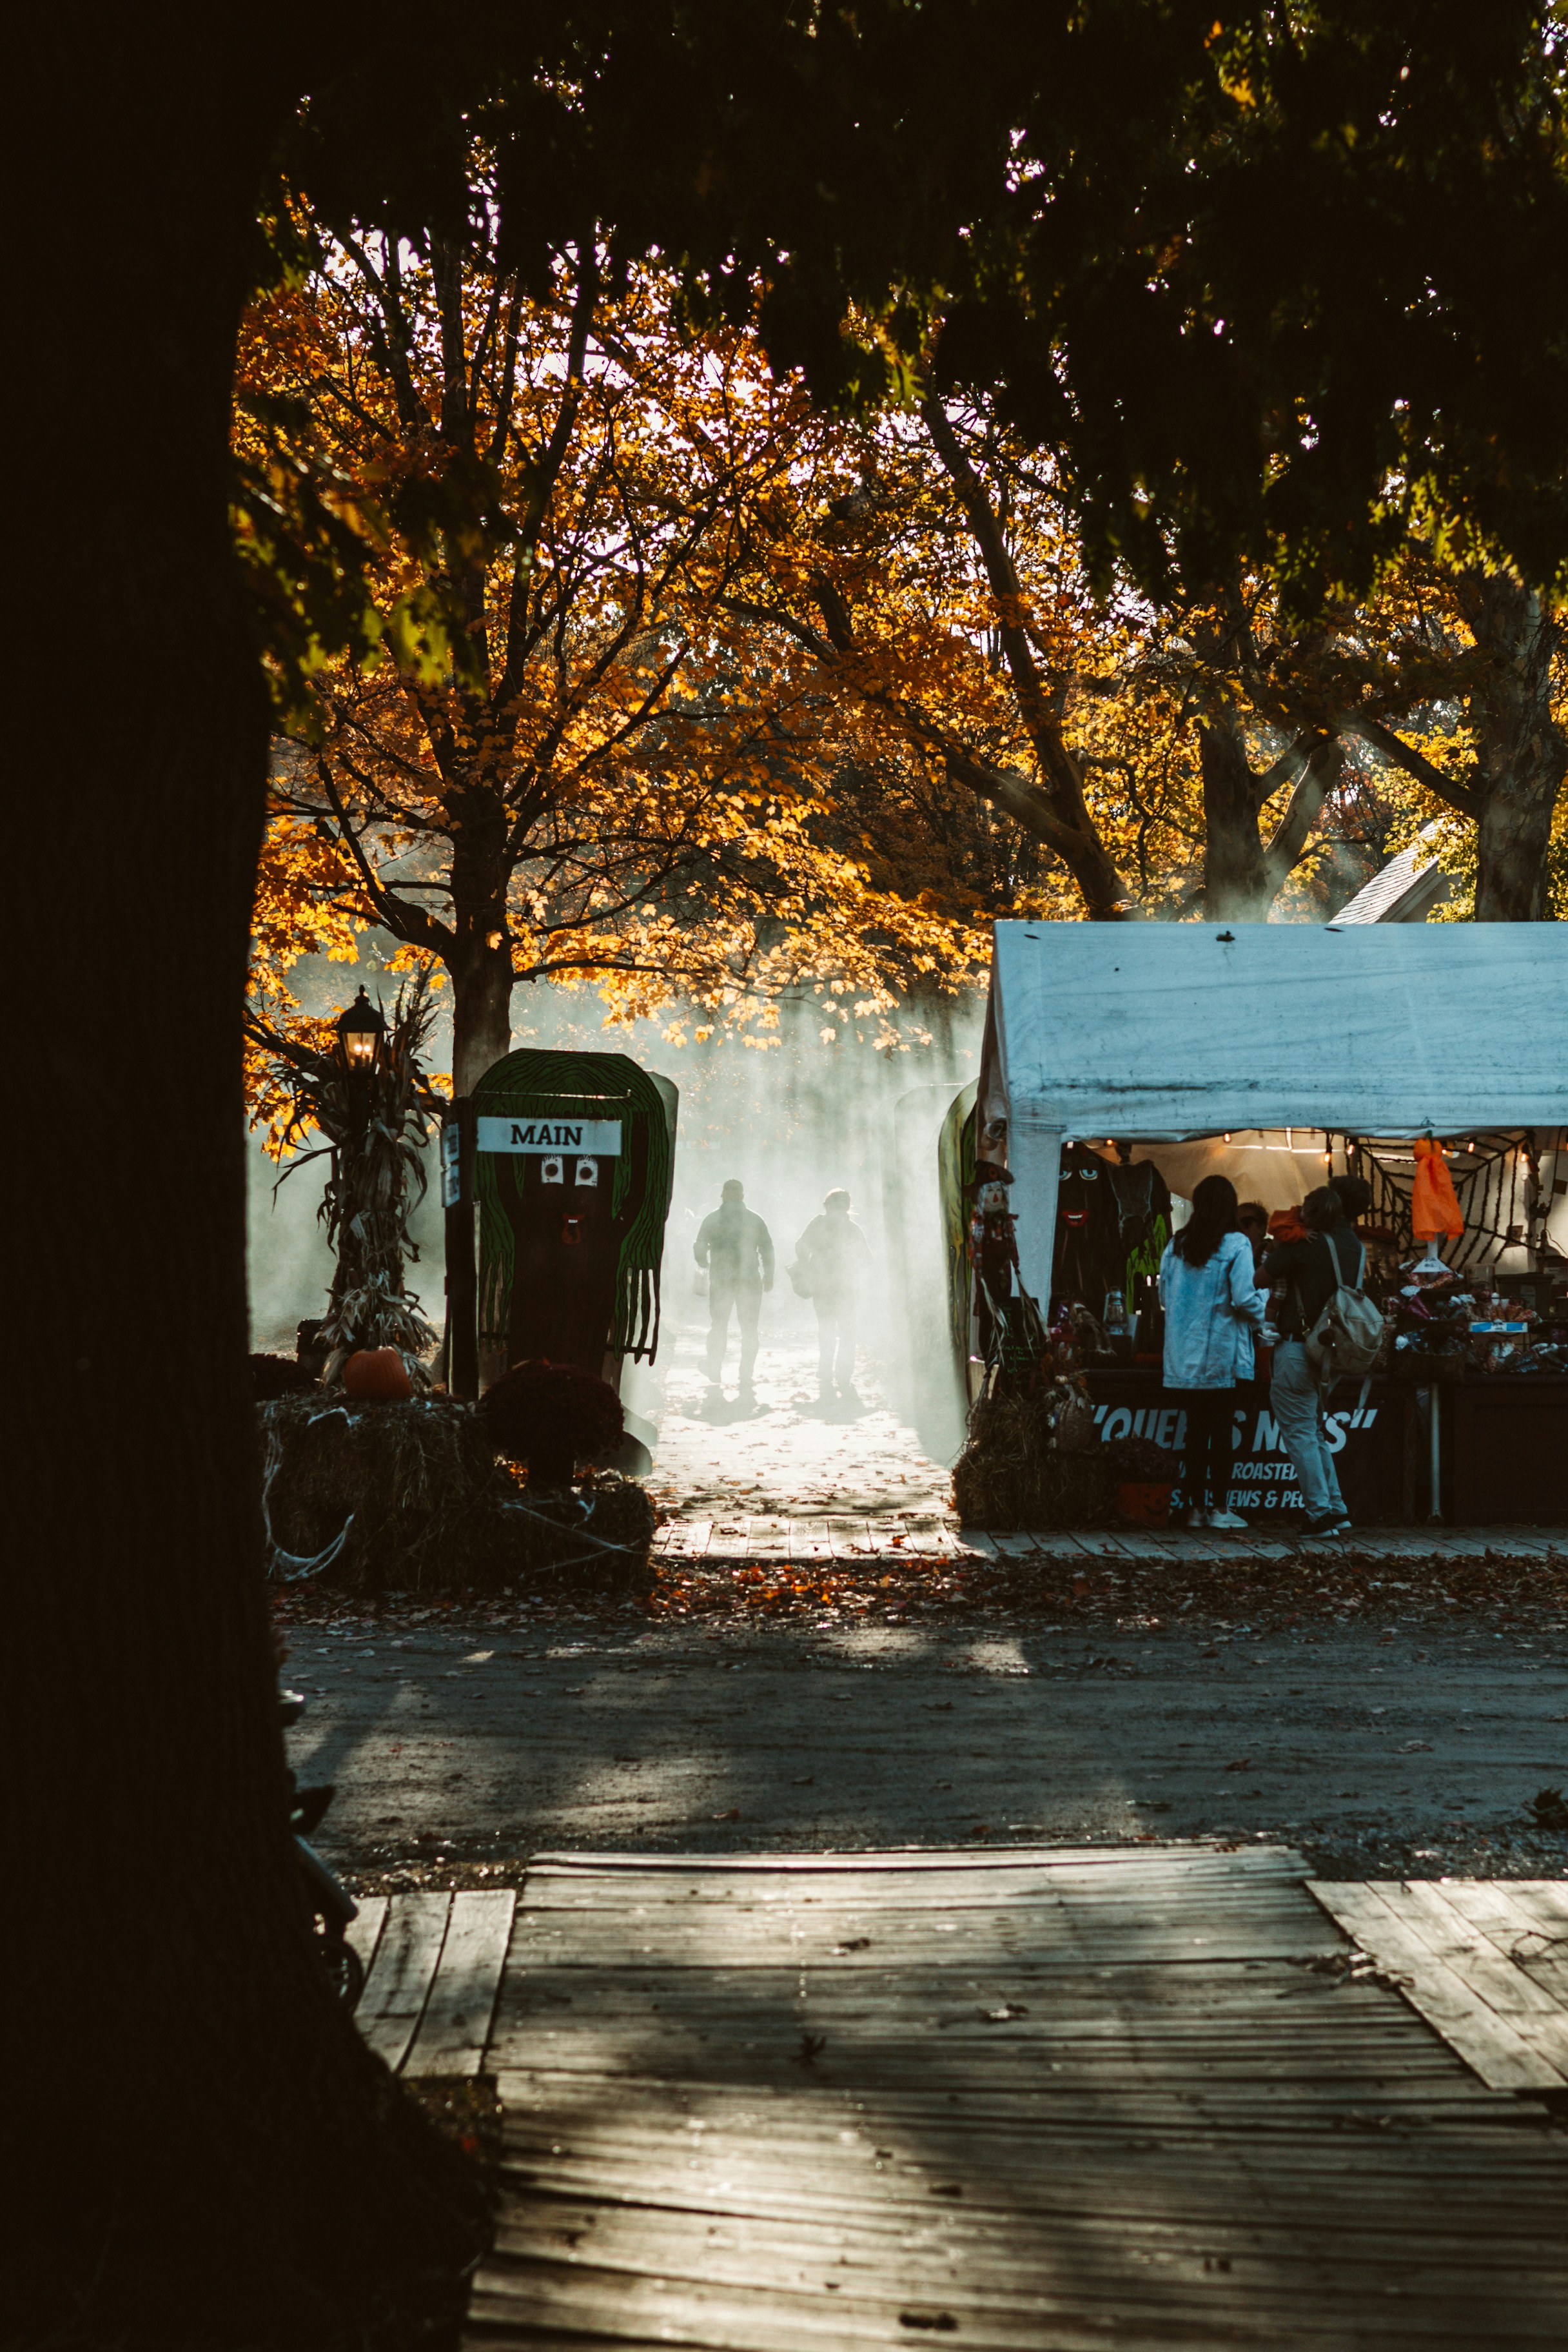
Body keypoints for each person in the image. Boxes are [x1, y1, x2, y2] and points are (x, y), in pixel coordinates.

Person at [1157, 1173, 1268, 1531]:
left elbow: (1164, 1298)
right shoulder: (1236, 1245)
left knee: (1194, 1435)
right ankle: (1220, 1508)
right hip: (1221, 1355)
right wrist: (1269, 1313)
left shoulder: (1176, 1245)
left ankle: (1193, 1508)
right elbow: (1244, 1299)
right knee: (1221, 1435)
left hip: (1183, 1357)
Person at [1259, 1184, 1364, 1536]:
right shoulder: (1356, 1246)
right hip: (1334, 1351)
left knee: (1301, 1432)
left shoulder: (1305, 1245)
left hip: (1298, 1346)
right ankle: (1337, 1509)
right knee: (1314, 1430)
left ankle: (1319, 1514)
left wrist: (1276, 1246)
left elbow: (1261, 1278)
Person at [693, 1180, 774, 1395]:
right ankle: (746, 1374)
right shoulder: (755, 1220)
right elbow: (767, 1248)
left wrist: (702, 1261)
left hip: (721, 1279)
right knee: (749, 1328)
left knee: (719, 1324)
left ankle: (715, 1367)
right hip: (750, 1280)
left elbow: (700, 1246)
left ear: (723, 1196)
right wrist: (769, 1275)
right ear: (742, 1196)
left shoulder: (712, 1219)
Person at [794, 1188, 871, 1400]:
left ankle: (825, 1370)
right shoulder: (853, 1229)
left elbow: (800, 1246)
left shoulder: (817, 1224)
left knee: (826, 1329)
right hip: (848, 1289)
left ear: (827, 1205)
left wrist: (807, 1263)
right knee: (847, 1332)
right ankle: (844, 1374)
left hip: (822, 1287)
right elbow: (867, 1259)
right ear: (846, 1207)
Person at [1237, 1199, 1271, 1274]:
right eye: (1235, 1224)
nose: (1239, 1227)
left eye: (1246, 1222)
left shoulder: (1272, 1256)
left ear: (1262, 1229)